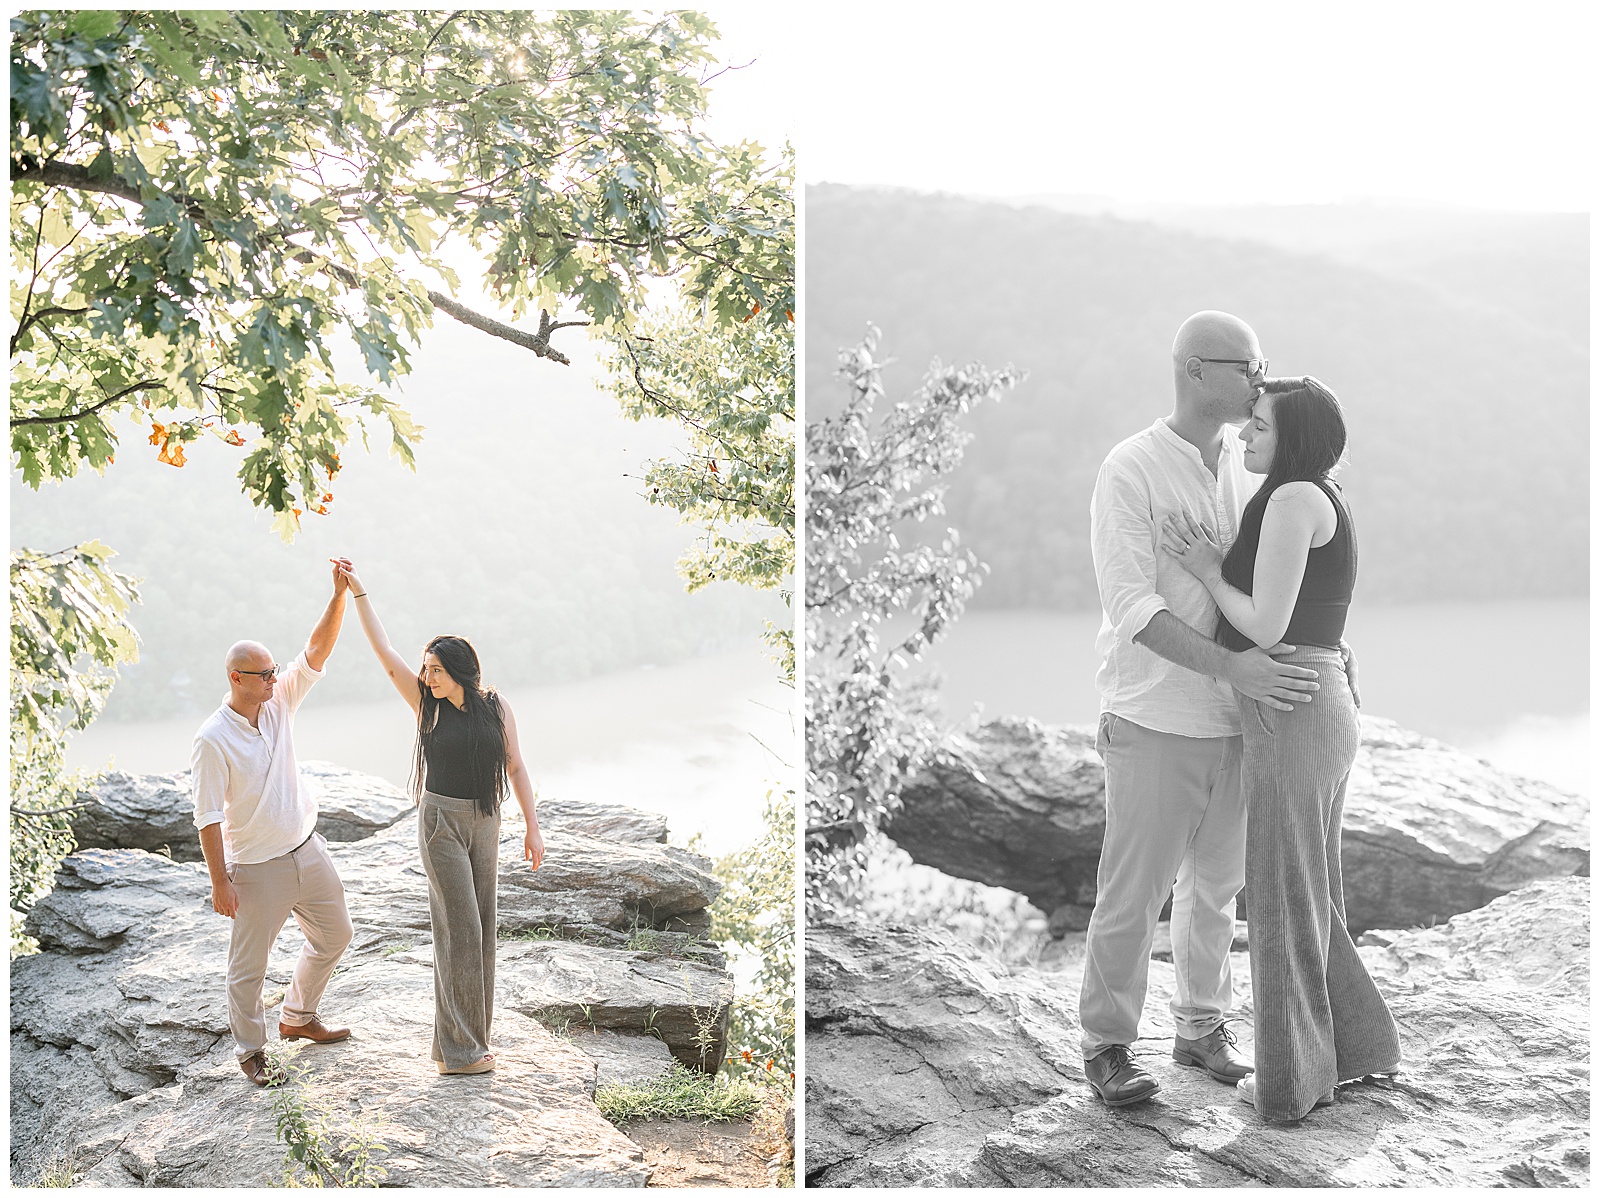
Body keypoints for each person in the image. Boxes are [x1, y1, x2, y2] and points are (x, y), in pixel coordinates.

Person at [1081, 311, 1324, 1108]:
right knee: (1133, 892)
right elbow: (1131, 608)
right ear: (1196, 370)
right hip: (1154, 717)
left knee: (1216, 890)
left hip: (1237, 720)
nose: (1261, 381)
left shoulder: (1247, 463)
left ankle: (1199, 1029)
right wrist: (1235, 669)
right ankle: (1107, 1045)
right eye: (1249, 367)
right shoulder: (1131, 468)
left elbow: (1268, 587)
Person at [1162, 375, 1401, 1122]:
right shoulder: (1316, 494)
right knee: (1311, 895)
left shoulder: (1296, 499)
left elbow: (1265, 625)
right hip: (1314, 695)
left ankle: (1290, 1083)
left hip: (1292, 706)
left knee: (1280, 900)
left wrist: (1205, 570)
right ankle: (1357, 1047)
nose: (1245, 435)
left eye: (1259, 426)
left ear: (1291, 435)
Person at [335, 559, 545, 1076]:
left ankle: (464, 1042)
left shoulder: (494, 707)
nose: (425, 676)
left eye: (434, 669)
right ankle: (461, 1054)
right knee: (460, 929)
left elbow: (516, 766)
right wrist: (358, 594)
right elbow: (385, 655)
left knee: (483, 930)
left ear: (459, 673)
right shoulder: (425, 705)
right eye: (425, 668)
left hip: (486, 819)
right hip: (440, 824)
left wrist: (532, 826)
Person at [191, 562, 355, 1086]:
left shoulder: (279, 700)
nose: (273, 678)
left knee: (335, 935)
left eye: (272, 671)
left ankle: (297, 1017)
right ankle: (250, 1052)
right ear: (235, 678)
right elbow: (208, 816)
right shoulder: (212, 739)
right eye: (263, 674)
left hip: (306, 847)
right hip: (257, 867)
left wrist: (338, 597)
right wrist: (220, 880)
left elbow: (316, 651)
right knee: (248, 969)